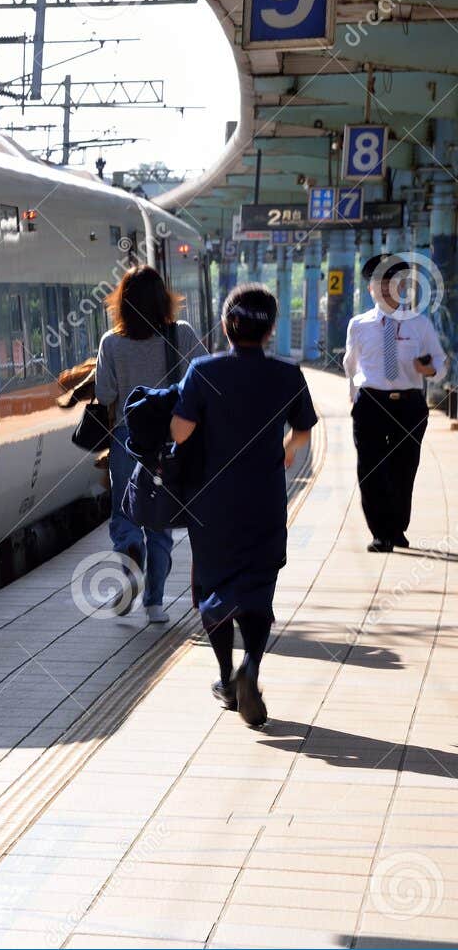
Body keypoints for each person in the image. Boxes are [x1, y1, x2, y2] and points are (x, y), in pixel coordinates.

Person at [171, 284, 317, 729]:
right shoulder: (288, 375)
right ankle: (250, 665)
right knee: (258, 588)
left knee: (214, 589)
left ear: (226, 324)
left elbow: (179, 432)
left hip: (212, 503)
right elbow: (303, 433)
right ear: (271, 329)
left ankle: (224, 677)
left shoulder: (202, 370)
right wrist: (286, 452)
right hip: (265, 499)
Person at [93, 265, 207, 622]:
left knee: (124, 510)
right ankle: (155, 604)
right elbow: (201, 382)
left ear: (123, 304)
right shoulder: (182, 334)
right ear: (164, 300)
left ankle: (128, 548)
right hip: (170, 441)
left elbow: (104, 393)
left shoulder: (111, 342)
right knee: (160, 518)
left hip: (128, 439)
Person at [342, 253, 448, 552]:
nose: (388, 289)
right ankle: (380, 533)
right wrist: (353, 397)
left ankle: (397, 527)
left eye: (394, 283)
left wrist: (430, 371)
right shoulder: (358, 325)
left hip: (409, 404)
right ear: (371, 290)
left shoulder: (420, 324)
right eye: (381, 284)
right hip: (371, 403)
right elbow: (350, 364)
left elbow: (439, 362)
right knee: (371, 468)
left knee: (403, 467)